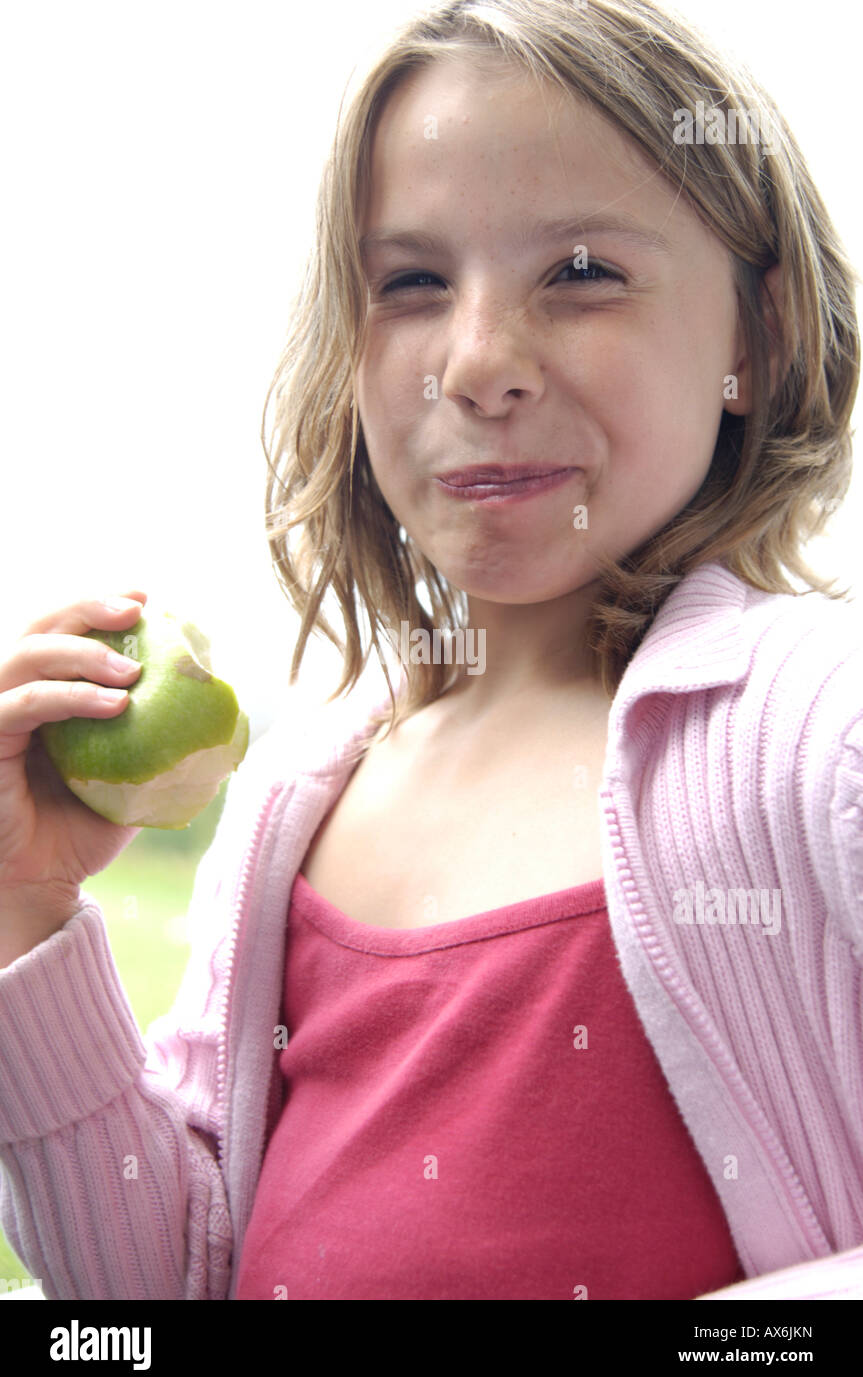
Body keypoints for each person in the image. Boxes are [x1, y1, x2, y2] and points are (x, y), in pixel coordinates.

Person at [1, 0, 861, 1301]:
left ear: (759, 335)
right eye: (411, 283)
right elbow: (165, 1289)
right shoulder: (294, 808)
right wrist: (27, 913)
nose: (477, 363)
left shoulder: (818, 728)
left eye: (580, 272)